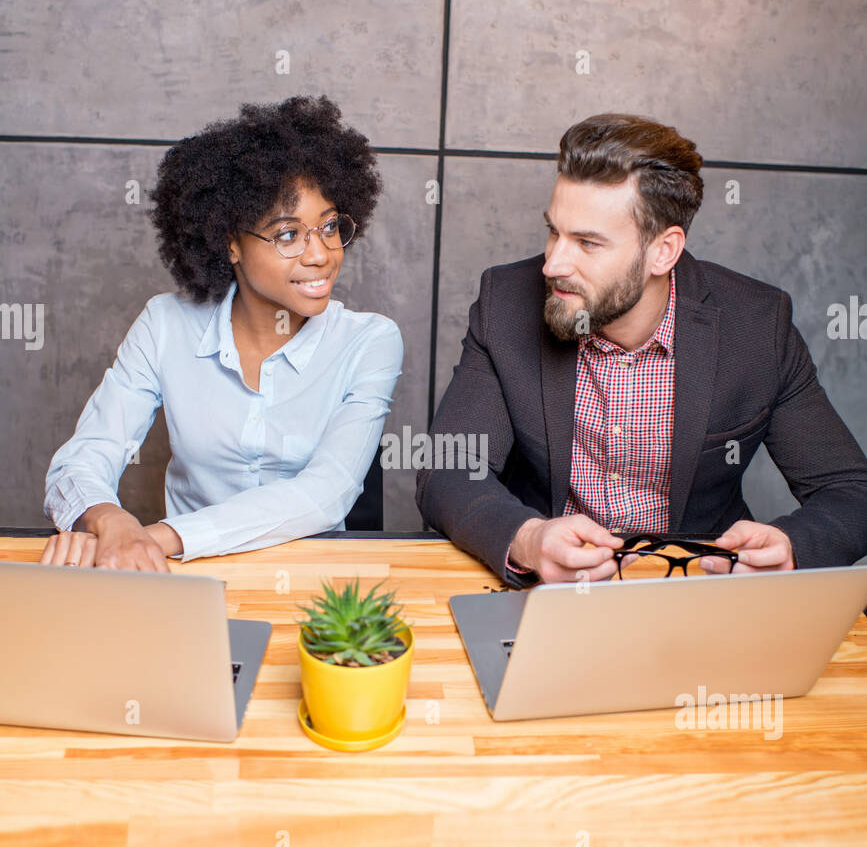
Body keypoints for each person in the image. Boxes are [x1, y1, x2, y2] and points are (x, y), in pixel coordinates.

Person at [417, 112, 867, 586]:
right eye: (554, 231)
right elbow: (449, 468)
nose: (553, 263)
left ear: (664, 251)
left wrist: (793, 547)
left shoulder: (755, 327)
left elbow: (850, 491)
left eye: (587, 243)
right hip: (547, 591)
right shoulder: (506, 302)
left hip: (695, 592)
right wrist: (528, 539)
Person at [41, 95, 403, 571]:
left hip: (313, 584)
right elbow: (84, 458)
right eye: (289, 234)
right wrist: (110, 522)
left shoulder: (369, 342)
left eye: (330, 226)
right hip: (188, 577)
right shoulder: (165, 324)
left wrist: (154, 538)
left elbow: (325, 494)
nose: (321, 254)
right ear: (230, 243)